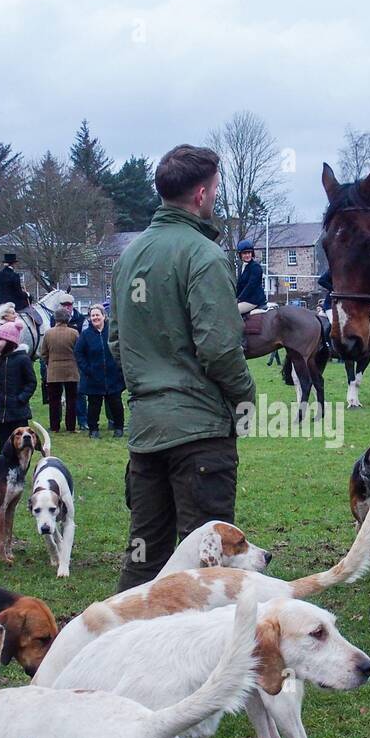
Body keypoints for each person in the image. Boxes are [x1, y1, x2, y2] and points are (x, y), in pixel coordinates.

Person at [109, 144, 256, 588]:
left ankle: (120, 652)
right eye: (213, 188)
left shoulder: (128, 259)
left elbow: (117, 343)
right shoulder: (204, 256)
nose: (214, 196)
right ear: (200, 194)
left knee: (144, 560)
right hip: (200, 437)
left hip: (146, 433)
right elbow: (219, 348)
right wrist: (244, 395)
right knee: (206, 568)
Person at [76, 304, 125, 440]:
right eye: (93, 315)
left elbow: (121, 349)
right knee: (94, 405)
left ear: (104, 316)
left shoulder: (112, 333)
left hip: (113, 375)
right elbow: (79, 353)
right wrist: (87, 369)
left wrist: (119, 366)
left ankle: (119, 427)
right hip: (93, 377)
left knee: (116, 403)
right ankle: (93, 429)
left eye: (98, 315)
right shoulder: (85, 335)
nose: (95, 317)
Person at [0, 320, 37, 448]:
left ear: (10, 341)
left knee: (20, 445)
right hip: (1, 412)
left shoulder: (23, 359)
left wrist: (21, 399)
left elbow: (31, 382)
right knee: (4, 445)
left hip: (18, 412)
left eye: (1, 339)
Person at [37, 306, 80, 432]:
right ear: (68, 319)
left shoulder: (48, 333)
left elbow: (43, 353)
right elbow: (78, 352)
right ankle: (70, 426)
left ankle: (55, 426)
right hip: (71, 370)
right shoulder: (74, 333)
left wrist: (49, 363)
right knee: (71, 399)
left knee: (54, 401)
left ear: (55, 319)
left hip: (53, 371)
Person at [235, 239, 266, 314]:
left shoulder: (256, 267)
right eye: (244, 253)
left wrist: (239, 299)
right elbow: (239, 286)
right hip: (246, 299)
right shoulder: (241, 267)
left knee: (234, 312)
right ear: (240, 255)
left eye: (249, 252)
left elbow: (250, 286)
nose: (247, 255)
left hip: (253, 300)